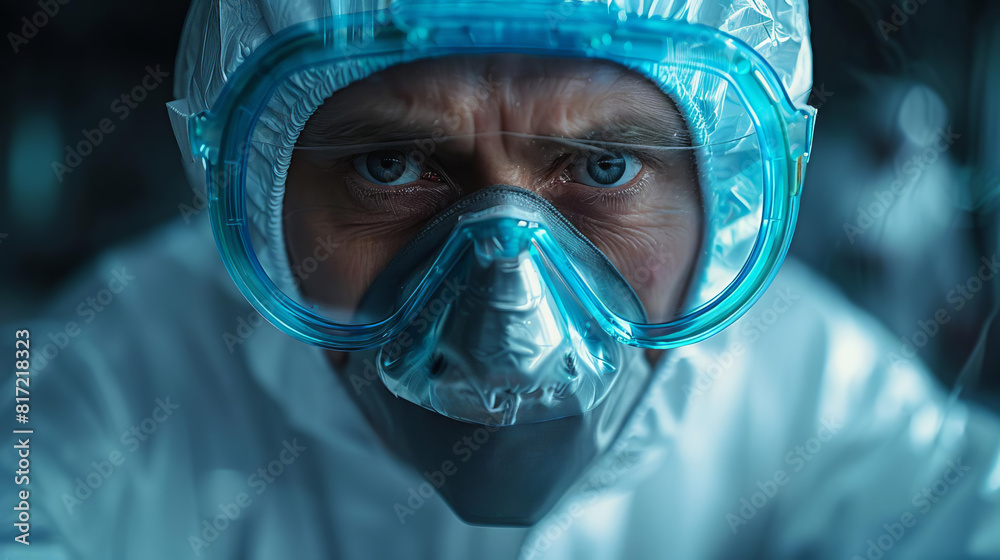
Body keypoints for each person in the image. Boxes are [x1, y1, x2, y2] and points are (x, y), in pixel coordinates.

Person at [4, 0, 999, 558]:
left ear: (726, 196)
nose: (510, 321)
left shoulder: (817, 402)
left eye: (602, 169)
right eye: (390, 166)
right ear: (251, 188)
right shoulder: (109, 378)